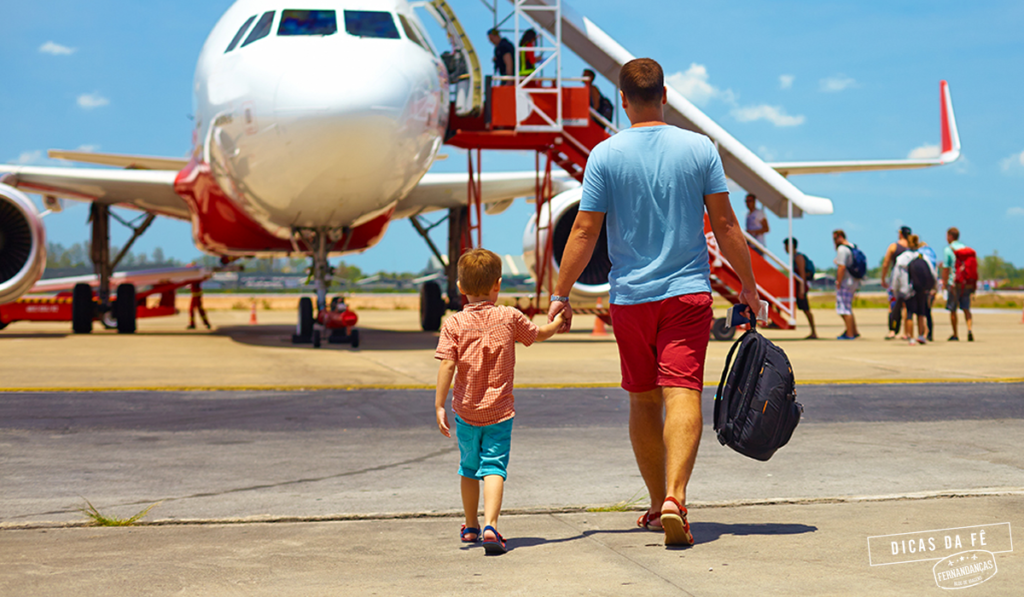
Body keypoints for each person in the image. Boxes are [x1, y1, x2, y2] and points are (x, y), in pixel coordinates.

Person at [547, 58, 761, 547]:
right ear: (665, 95)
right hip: (686, 293)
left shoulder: (605, 154)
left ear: (623, 100)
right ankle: (676, 498)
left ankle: (655, 498)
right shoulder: (699, 149)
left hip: (630, 299)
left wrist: (561, 294)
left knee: (643, 399)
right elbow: (726, 226)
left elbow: (584, 229)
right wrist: (748, 286)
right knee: (682, 392)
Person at [434, 248, 563, 555]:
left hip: (465, 411)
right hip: (501, 412)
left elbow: (446, 366)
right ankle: (491, 525)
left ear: (461, 288)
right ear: (498, 285)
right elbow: (537, 334)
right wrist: (557, 323)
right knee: (494, 467)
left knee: (468, 468)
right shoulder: (509, 316)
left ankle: (470, 526)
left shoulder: (453, 324)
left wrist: (439, 405)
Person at [940, 227, 974, 341]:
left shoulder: (948, 249)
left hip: (954, 283)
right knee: (966, 308)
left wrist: (944, 283)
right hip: (966, 283)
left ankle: (955, 334)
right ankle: (969, 329)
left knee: (953, 309)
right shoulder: (965, 248)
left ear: (950, 236)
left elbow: (946, 268)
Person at [880, 226, 912, 340]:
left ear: (900, 234)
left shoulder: (894, 246)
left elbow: (886, 262)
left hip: (896, 279)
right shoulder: (911, 247)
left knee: (893, 305)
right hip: (909, 280)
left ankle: (892, 330)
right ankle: (906, 332)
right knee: (906, 306)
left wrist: (883, 278)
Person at [783, 238, 817, 339]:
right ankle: (813, 331)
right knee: (805, 309)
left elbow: (802, 275)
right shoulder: (793, 258)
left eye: (786, 246)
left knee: (806, 309)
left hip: (801, 287)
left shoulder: (798, 257)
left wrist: (801, 290)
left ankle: (814, 332)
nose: (785, 249)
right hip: (798, 287)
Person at [833, 229, 860, 340]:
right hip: (854, 281)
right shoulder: (852, 247)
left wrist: (838, 281)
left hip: (846, 282)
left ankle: (849, 333)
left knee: (844, 308)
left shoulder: (842, 249)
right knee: (848, 306)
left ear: (840, 237)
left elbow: (842, 266)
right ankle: (853, 330)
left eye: (834, 239)